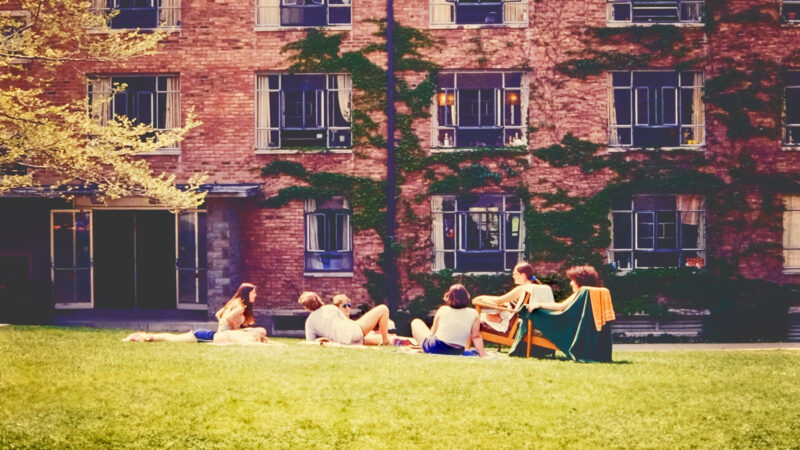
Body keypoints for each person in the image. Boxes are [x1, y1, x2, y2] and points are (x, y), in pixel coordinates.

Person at [122, 282, 268, 344]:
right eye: (253, 293)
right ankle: (141, 337)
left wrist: (229, 326)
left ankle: (142, 337)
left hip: (212, 334)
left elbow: (219, 314)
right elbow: (228, 317)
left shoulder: (234, 303)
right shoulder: (241, 307)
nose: (255, 295)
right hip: (207, 336)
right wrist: (234, 328)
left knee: (173, 338)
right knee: (173, 339)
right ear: (247, 293)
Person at [471, 262, 554, 332]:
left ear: (523, 275)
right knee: (483, 315)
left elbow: (498, 300)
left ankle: (466, 348)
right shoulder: (533, 287)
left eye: (515, 274)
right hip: (521, 323)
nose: (513, 276)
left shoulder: (522, 289)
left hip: (508, 326)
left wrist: (480, 298)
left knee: (473, 319)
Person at [410, 284, 486, 357]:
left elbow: (433, 332)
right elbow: (476, 337)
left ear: (448, 297)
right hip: (457, 351)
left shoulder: (443, 309)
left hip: (436, 347)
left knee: (416, 322)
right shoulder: (473, 313)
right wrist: (483, 355)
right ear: (467, 297)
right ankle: (425, 347)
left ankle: (424, 348)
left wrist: (426, 345)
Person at [299, 292, 392, 345]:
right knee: (383, 309)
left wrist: (321, 340)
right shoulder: (331, 308)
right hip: (354, 332)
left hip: (344, 341)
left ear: (306, 307)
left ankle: (386, 339)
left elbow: (310, 343)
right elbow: (347, 322)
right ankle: (386, 341)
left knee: (372, 338)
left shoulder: (309, 322)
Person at [529, 265, 601, 312]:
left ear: (581, 281)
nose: (571, 283)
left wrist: (539, 305)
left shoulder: (582, 293)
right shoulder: (590, 293)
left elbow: (561, 307)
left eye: (573, 280)